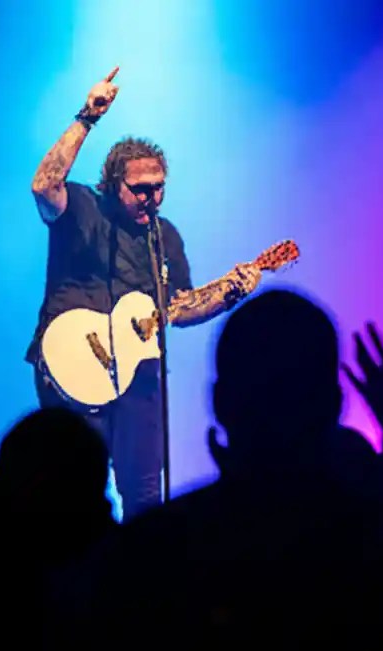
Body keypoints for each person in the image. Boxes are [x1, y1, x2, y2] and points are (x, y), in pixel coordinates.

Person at [27, 66, 262, 520]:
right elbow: (43, 185)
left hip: (137, 376)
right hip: (72, 366)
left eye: (159, 188)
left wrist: (231, 292)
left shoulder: (163, 235)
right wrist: (86, 118)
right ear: (114, 183)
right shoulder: (80, 207)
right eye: (139, 189)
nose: (151, 198)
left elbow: (179, 306)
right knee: (71, 495)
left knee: (145, 494)